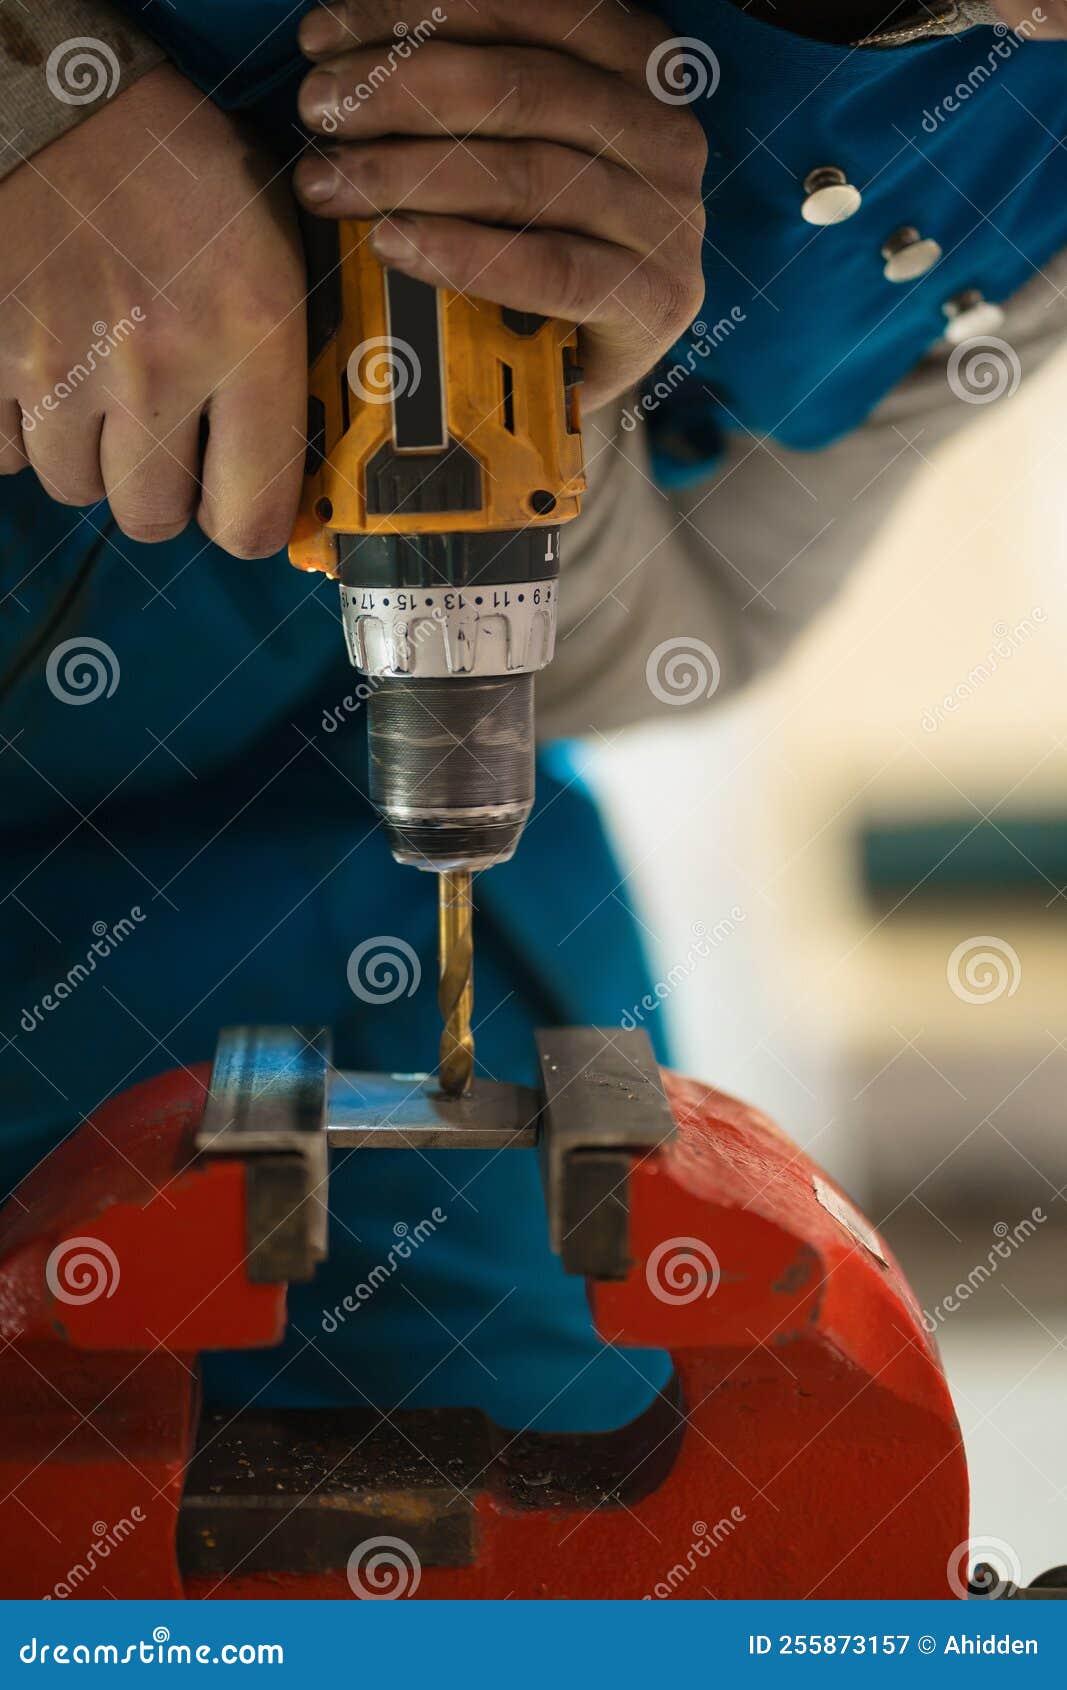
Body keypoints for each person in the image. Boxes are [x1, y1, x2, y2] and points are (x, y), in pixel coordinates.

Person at [2, 0, 1065, 1432]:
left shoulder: (1021, 141)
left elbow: (707, 624)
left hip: (333, 857)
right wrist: (38, 103)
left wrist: (576, 428)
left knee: (636, 1482)